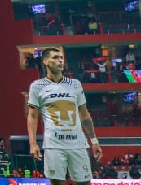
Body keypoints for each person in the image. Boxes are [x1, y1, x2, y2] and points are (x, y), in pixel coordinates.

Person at [28, 47, 103, 185]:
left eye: (61, 57)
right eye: (55, 58)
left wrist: (94, 141)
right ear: (45, 61)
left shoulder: (75, 84)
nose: (60, 60)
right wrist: (32, 143)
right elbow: (32, 116)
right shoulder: (37, 86)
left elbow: (85, 115)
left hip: (77, 143)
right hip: (53, 145)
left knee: (84, 182)